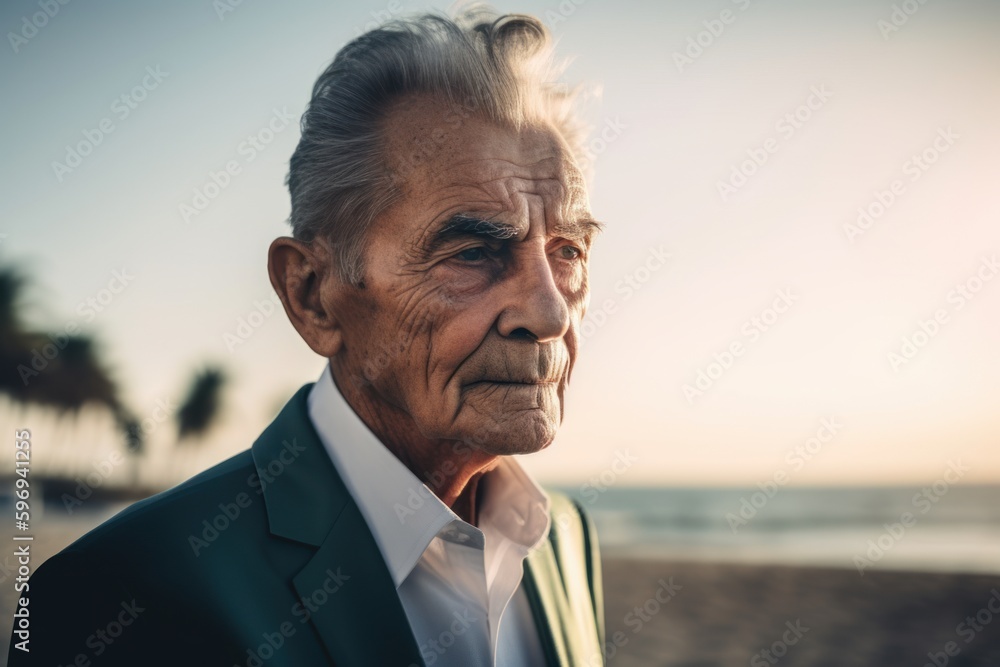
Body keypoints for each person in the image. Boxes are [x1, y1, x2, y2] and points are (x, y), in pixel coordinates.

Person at [9, 7, 605, 666]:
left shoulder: (566, 541)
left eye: (568, 251)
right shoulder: (121, 592)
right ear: (312, 294)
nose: (550, 313)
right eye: (470, 252)